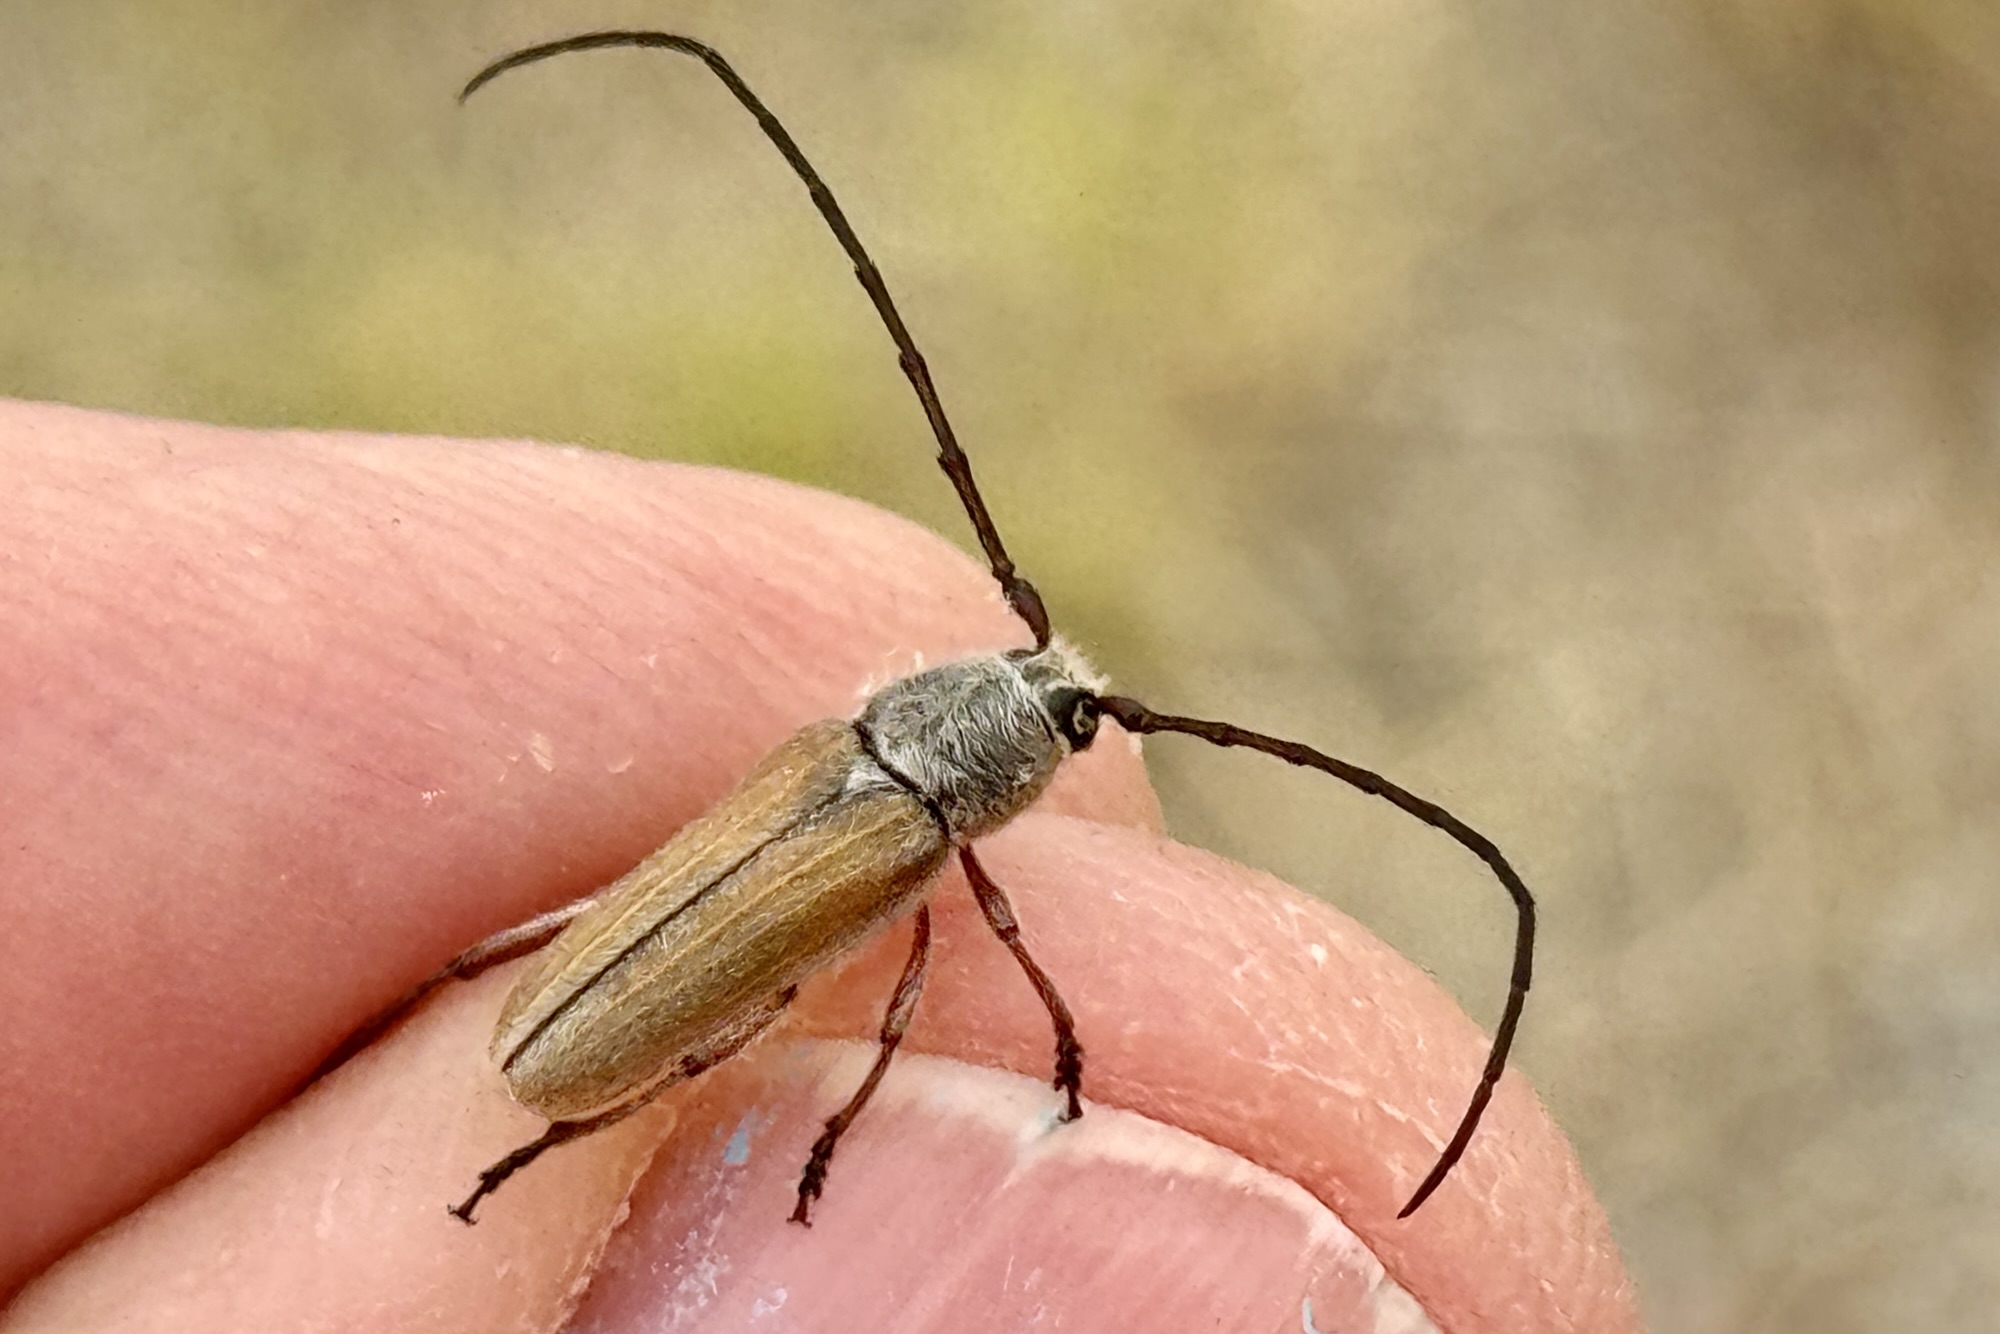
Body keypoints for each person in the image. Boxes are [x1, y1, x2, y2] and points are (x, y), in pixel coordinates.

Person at [0, 401, 1639, 1331]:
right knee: (792, 1017)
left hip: (599, 969)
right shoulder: (923, 849)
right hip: (596, 1011)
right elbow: (941, 974)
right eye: (1056, 721)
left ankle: (505, 1107)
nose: (1068, 709)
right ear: (991, 760)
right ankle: (526, 1147)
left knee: (722, 988)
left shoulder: (834, 750)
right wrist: (1031, 1053)